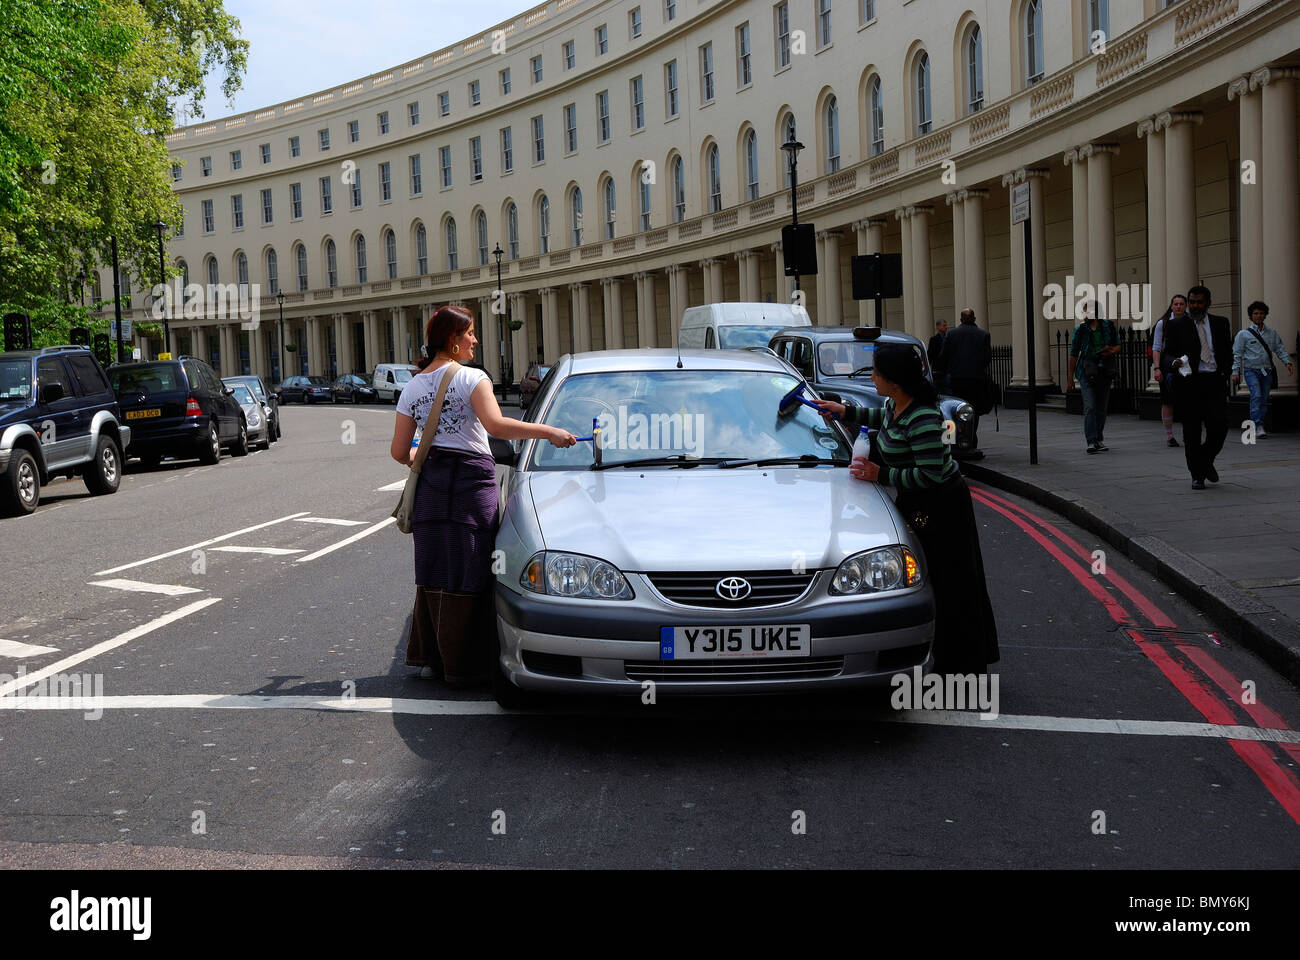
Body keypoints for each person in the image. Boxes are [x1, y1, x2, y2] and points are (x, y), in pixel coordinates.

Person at [390, 305, 575, 684]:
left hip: (431, 485)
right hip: (471, 484)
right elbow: (496, 426)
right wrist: (549, 432)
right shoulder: (472, 378)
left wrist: (425, 455)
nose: (475, 340)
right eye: (470, 333)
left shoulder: (411, 387)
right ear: (453, 340)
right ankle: (465, 666)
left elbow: (399, 452)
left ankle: (432, 660)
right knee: (474, 566)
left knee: (433, 569)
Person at [814, 344, 999, 676]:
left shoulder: (925, 418)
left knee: (950, 582)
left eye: (875, 373)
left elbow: (930, 475)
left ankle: (962, 665)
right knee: (928, 578)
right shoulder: (895, 404)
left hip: (943, 508)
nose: (871, 377)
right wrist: (843, 411)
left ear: (894, 380)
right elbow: (881, 418)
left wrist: (879, 474)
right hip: (918, 503)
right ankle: (938, 655)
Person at [1164, 284, 1232, 489]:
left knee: (1220, 427)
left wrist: (1225, 372)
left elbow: (1227, 352)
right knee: (1192, 432)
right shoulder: (1177, 325)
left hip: (1214, 382)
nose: (1194, 306)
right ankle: (1197, 474)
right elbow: (1167, 353)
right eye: (1192, 302)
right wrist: (1173, 363)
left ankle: (1205, 459)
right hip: (1189, 384)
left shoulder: (1221, 323)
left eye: (1199, 302)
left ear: (1208, 303)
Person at [1232, 300, 1294, 439]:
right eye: (1256, 313)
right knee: (1256, 395)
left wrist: (1287, 363)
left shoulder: (1272, 333)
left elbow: (1279, 348)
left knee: (1264, 398)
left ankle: (1260, 423)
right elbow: (1237, 354)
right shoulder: (1243, 334)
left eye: (1261, 313)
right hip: (1251, 370)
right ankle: (1257, 425)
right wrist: (1235, 372)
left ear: (1265, 315)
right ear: (1251, 316)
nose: (1259, 316)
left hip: (1266, 370)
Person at [1067, 301, 1121, 453]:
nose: (1084, 315)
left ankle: (1098, 439)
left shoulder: (1108, 327)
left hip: (1104, 370)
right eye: (1083, 312)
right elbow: (1073, 354)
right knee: (1090, 406)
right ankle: (1091, 440)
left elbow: (1118, 345)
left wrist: (1111, 351)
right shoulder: (1080, 330)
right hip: (1086, 370)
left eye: (1087, 312)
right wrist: (1070, 378)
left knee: (1101, 408)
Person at [940, 308, 991, 447]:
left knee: (953, 409)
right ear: (974, 319)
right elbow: (987, 358)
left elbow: (944, 357)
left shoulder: (952, 334)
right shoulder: (984, 334)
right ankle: (971, 438)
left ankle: (954, 441)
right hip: (976, 379)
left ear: (961, 320)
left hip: (957, 379)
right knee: (973, 410)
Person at [1150, 294, 1187, 447]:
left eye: (1181, 304)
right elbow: (1157, 347)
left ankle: (1188, 433)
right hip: (1167, 365)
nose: (1178, 306)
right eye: (1176, 304)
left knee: (1187, 401)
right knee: (1168, 400)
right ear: (1171, 306)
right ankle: (1169, 435)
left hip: (1186, 364)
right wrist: (1157, 368)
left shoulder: (1190, 322)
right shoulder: (1163, 324)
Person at [927, 319, 948, 390]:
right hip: (937, 369)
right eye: (944, 325)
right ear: (938, 327)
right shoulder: (934, 339)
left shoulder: (948, 338)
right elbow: (930, 354)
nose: (946, 327)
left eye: (946, 325)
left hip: (947, 370)